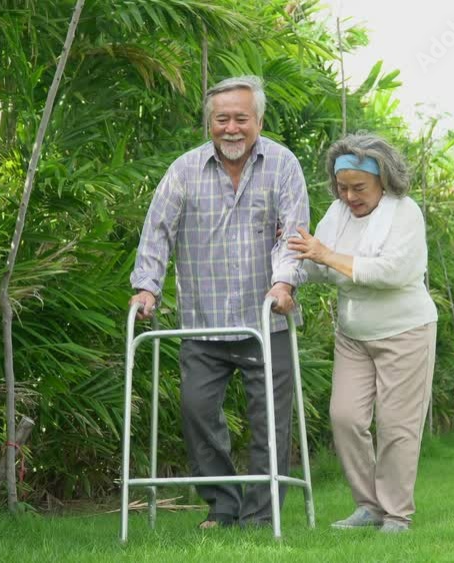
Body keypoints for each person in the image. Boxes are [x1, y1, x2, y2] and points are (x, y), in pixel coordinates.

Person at [129, 75, 310, 529]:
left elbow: (293, 234)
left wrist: (284, 283)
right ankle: (223, 505)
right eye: (222, 118)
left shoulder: (283, 165)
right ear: (210, 122)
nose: (231, 128)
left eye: (241, 119)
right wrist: (148, 286)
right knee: (196, 410)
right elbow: (158, 232)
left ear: (259, 121)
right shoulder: (184, 170)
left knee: (269, 421)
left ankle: (261, 514)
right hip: (202, 324)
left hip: (264, 322)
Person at [288, 133, 437, 534]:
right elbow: (319, 268)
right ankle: (369, 506)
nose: (350, 196)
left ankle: (397, 515)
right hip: (354, 334)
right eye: (342, 187)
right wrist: (295, 264)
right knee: (345, 417)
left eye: (359, 188)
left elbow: (395, 272)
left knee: (396, 425)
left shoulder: (405, 213)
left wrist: (328, 256)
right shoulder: (336, 215)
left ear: (382, 181)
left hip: (405, 331)